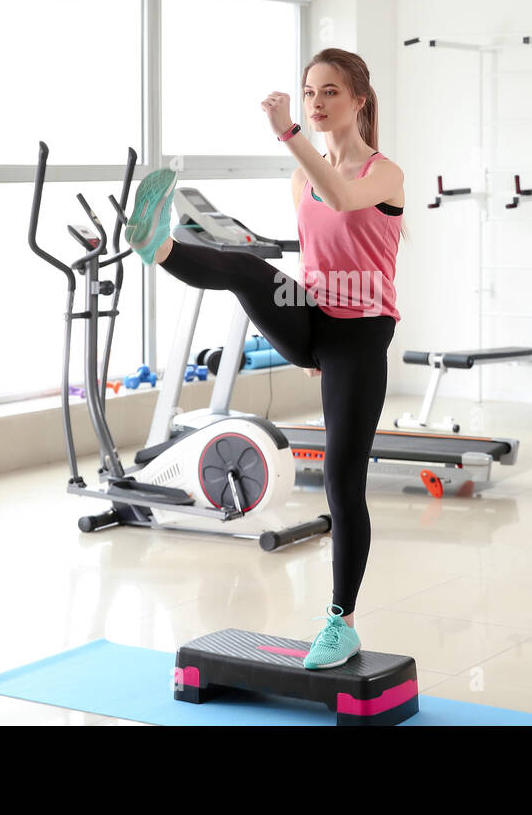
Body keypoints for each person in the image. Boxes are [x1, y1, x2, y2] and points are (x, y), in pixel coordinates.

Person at [123, 48, 406, 670]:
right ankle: (157, 243)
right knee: (249, 270)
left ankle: (342, 622)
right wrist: (302, 332)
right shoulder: (301, 175)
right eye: (309, 93)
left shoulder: (386, 175)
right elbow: (316, 254)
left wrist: (288, 132)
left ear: (359, 100)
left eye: (329, 92)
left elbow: (339, 200)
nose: (316, 103)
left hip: (361, 332)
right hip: (315, 316)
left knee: (341, 479)